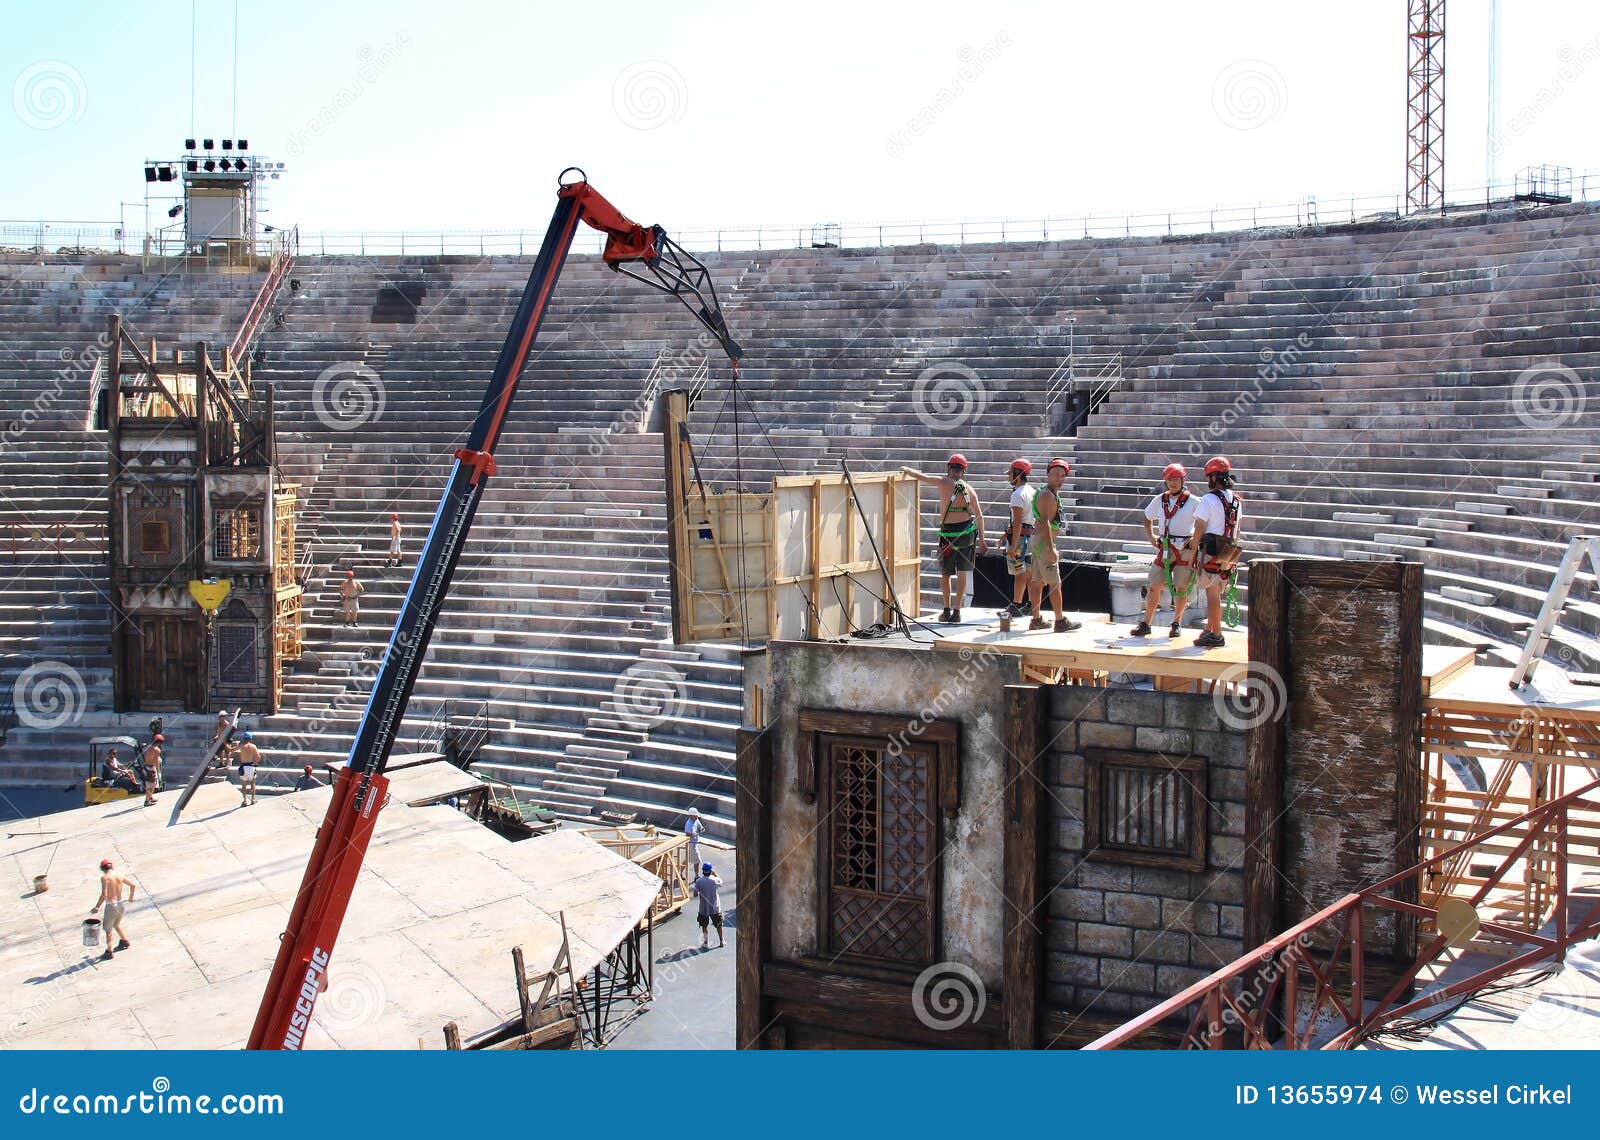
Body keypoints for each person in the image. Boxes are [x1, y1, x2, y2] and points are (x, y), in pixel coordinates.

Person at [899, 454, 987, 624]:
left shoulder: (943, 482)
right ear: (963, 471)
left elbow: (921, 477)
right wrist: (982, 539)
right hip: (967, 533)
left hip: (949, 534)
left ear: (949, 468)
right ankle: (957, 611)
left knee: (946, 572)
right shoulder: (969, 489)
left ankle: (946, 609)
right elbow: (979, 515)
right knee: (962, 572)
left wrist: (907, 469)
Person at [1132, 462, 1201, 639]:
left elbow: (1203, 522)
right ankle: (1146, 623)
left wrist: (1196, 539)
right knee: (1154, 584)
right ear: (1166, 481)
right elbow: (1146, 518)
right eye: (1170, 480)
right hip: (1166, 547)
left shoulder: (1193, 501)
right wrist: (1152, 537)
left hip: (1184, 547)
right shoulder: (1160, 499)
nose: (1173, 483)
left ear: (1183, 480)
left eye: (1176, 480)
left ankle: (1176, 624)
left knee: (1181, 587)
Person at [1190, 455, 1245, 649]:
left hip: (1212, 549)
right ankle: (1210, 629)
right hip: (1229, 551)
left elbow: (1199, 527)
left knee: (1212, 595)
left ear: (1213, 477)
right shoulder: (1237, 501)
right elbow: (1238, 529)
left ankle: (1216, 634)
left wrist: (1194, 553)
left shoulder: (1208, 499)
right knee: (1217, 593)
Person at [1028, 458, 1081, 633]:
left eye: (1063, 475)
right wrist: (1051, 549)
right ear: (1048, 474)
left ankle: (1036, 619)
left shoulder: (1048, 493)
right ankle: (1060, 620)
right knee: (1054, 583)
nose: (1060, 478)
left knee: (1037, 582)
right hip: (1044, 543)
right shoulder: (1047, 495)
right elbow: (1045, 522)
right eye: (1056, 474)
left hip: (1039, 542)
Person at [1002, 458, 1036, 618]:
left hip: (1020, 537)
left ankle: (1016, 604)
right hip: (1031, 536)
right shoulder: (1032, 491)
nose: (1009, 476)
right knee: (1029, 572)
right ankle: (1030, 603)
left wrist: (1013, 545)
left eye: (1011, 473)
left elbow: (1017, 522)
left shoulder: (1017, 494)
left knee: (1019, 572)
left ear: (1017, 474)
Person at [90, 859, 135, 960]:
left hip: (111, 905)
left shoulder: (105, 878)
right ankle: (124, 941)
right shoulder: (119, 875)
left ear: (102, 868)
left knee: (108, 929)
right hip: (120, 903)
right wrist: (131, 897)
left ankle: (109, 951)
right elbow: (133, 885)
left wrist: (97, 907)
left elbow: (104, 895)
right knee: (116, 924)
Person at [693, 862, 724, 949]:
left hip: (703, 908)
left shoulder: (699, 881)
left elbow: (695, 894)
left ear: (703, 871)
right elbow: (721, 882)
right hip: (715, 907)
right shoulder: (714, 880)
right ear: (710, 871)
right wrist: (715, 873)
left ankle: (706, 942)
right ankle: (721, 941)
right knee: (719, 924)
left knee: (704, 925)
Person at [235, 731, 261, 805]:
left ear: (244, 738)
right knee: (252, 783)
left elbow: (230, 750)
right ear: (250, 739)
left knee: (244, 785)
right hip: (251, 766)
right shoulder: (253, 746)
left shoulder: (241, 745)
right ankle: (253, 800)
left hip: (243, 766)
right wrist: (256, 763)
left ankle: (245, 801)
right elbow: (258, 757)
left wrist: (225, 744)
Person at [140, 735, 163, 806]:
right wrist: (159, 771)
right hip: (151, 769)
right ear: (160, 742)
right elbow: (156, 761)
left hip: (145, 767)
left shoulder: (149, 747)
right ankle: (147, 801)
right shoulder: (157, 750)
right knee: (151, 786)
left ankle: (150, 797)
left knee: (150, 784)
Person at [684, 806, 705, 872]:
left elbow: (700, 827)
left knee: (688, 859)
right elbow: (687, 834)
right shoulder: (688, 824)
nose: (697, 817)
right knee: (697, 860)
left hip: (695, 842)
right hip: (691, 844)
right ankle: (696, 875)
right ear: (691, 816)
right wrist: (693, 834)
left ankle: (679, 872)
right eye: (695, 816)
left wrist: (701, 829)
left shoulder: (696, 820)